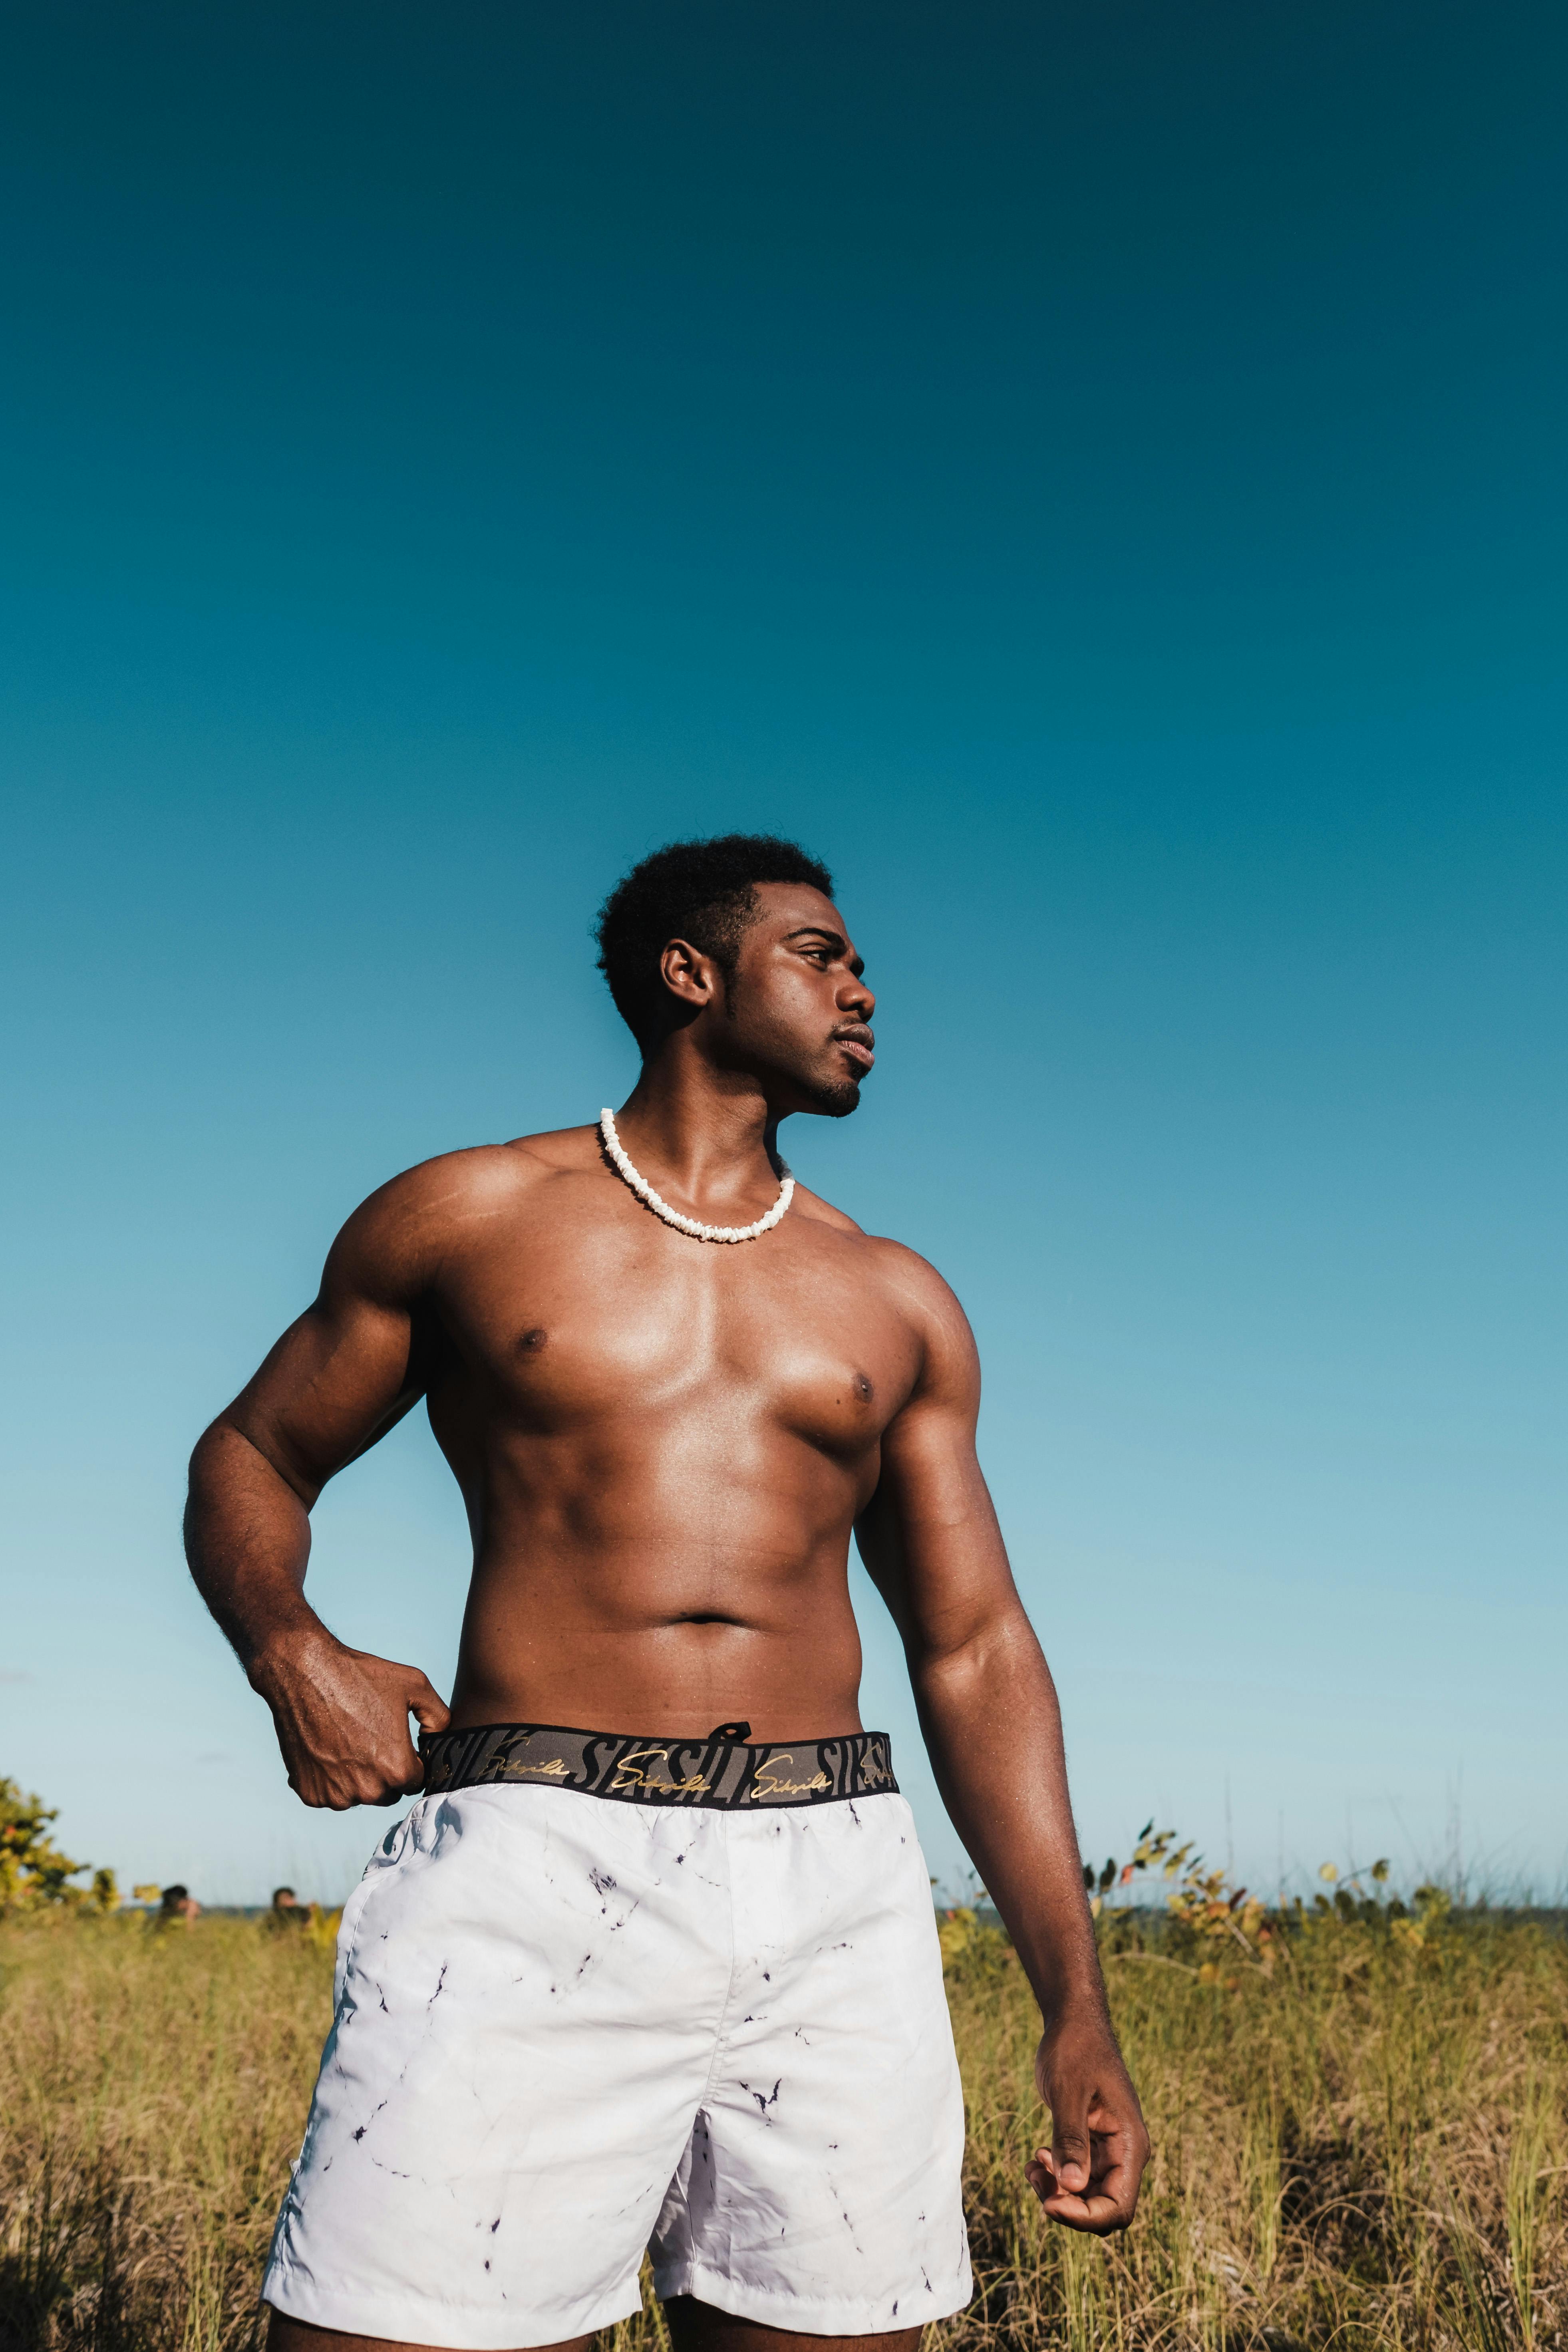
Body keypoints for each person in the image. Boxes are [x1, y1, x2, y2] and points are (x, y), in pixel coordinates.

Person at [185, 834, 1149, 2352]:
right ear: (691, 976)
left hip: (831, 1889)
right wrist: (289, 1648)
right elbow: (252, 1451)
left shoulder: (898, 1298)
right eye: (822, 955)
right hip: (533, 1862)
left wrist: (1072, 2002)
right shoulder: (468, 1216)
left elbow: (971, 1648)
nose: (865, 990)